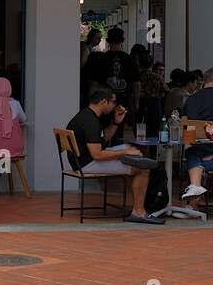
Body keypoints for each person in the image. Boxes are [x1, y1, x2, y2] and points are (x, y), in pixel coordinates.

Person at [66, 87, 161, 225]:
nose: (115, 105)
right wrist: (124, 153)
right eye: (113, 102)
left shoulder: (85, 115)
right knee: (142, 168)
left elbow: (102, 141)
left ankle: (135, 161)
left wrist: (116, 122)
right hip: (87, 164)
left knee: (131, 149)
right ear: (104, 102)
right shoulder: (91, 122)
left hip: (82, 160)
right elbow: (98, 154)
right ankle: (138, 212)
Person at [84, 27, 141, 128]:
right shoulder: (130, 60)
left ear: (108, 41)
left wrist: (92, 102)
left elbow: (93, 84)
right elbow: (136, 84)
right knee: (123, 129)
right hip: (125, 101)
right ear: (123, 40)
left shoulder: (100, 59)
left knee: (105, 129)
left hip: (104, 102)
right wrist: (136, 103)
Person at [79, 28, 102, 105]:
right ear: (91, 37)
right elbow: (82, 65)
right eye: (98, 38)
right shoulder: (86, 49)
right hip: (84, 80)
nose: (100, 40)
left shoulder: (85, 46)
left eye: (100, 38)